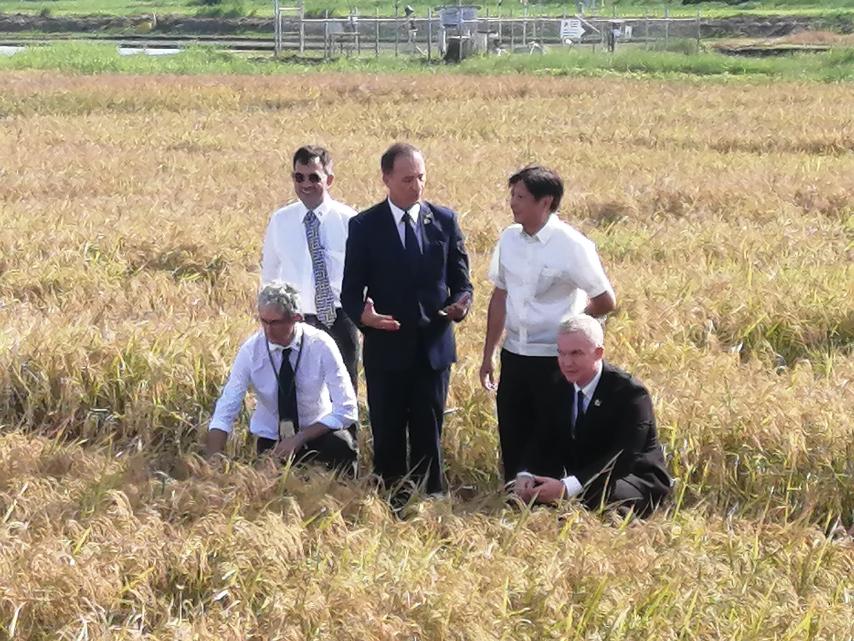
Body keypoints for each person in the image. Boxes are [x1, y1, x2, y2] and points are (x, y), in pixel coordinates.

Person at [341, 142, 473, 495]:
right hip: (387, 350)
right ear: (386, 179)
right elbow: (350, 292)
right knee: (388, 434)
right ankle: (391, 504)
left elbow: (463, 283)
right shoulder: (364, 226)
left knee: (429, 435)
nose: (416, 187)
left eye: (421, 178)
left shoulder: (444, 220)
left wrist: (461, 305)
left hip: (433, 350)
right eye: (407, 179)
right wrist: (364, 319)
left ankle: (432, 503)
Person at [480, 165, 616, 483]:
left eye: (522, 197)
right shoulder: (509, 239)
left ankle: (549, 503)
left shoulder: (572, 245)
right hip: (514, 355)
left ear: (546, 202)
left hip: (555, 360)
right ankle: (514, 495)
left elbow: (605, 299)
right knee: (512, 431)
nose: (513, 203)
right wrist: (488, 354)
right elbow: (499, 296)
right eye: (512, 195)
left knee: (552, 436)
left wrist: (573, 327)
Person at [513, 314, 671, 517]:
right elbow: (542, 437)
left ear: (598, 353)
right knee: (530, 492)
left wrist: (566, 488)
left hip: (631, 477)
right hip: (578, 473)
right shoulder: (556, 386)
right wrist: (526, 472)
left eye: (576, 354)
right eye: (561, 353)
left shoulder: (631, 394)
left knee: (601, 498)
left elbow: (624, 456)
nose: (566, 362)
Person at [206, 281, 358, 474]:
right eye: (264, 321)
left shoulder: (321, 345)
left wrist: (300, 438)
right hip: (271, 438)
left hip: (317, 432)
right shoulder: (251, 351)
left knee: (342, 446)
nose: (268, 330)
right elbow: (226, 408)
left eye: (275, 322)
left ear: (296, 318)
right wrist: (211, 464)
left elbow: (347, 409)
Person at [260, 145, 359, 389]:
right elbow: (270, 273)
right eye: (299, 177)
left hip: (338, 319)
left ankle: (345, 429)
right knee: (299, 393)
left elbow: (365, 273)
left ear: (330, 179)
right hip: (294, 321)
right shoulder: (280, 220)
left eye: (314, 177)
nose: (306, 184)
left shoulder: (350, 221)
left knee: (342, 391)